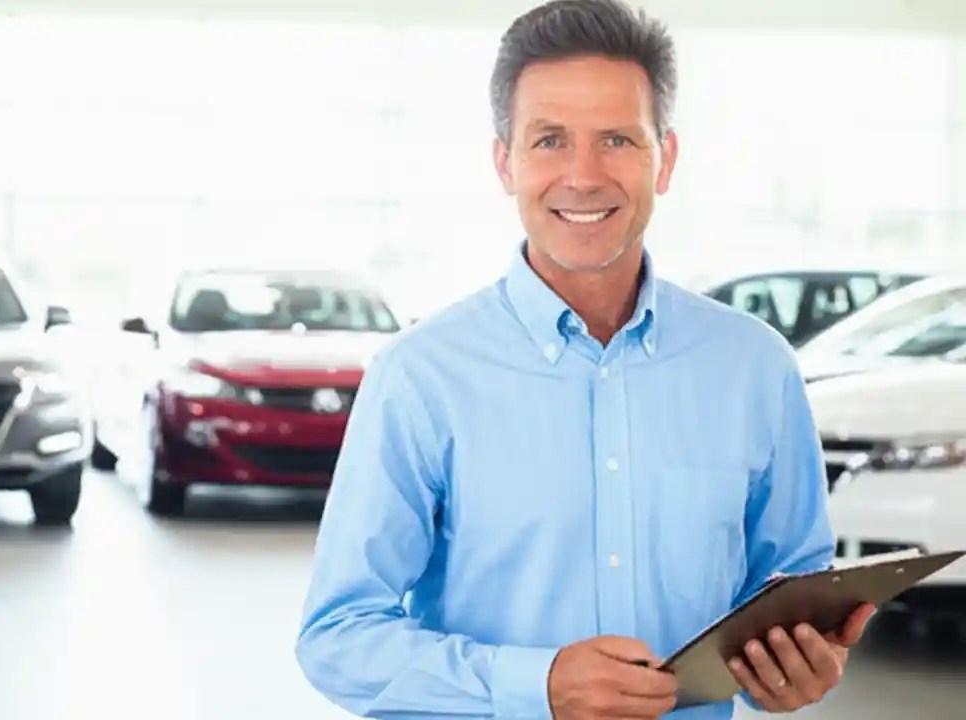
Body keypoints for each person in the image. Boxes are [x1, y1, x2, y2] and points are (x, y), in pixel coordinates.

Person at [295, 1, 875, 718]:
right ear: (504, 162)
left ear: (665, 159)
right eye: (548, 141)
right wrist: (533, 686)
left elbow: (792, 589)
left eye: (618, 141)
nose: (583, 175)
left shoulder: (756, 368)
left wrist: (795, 669)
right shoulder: (420, 377)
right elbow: (338, 639)